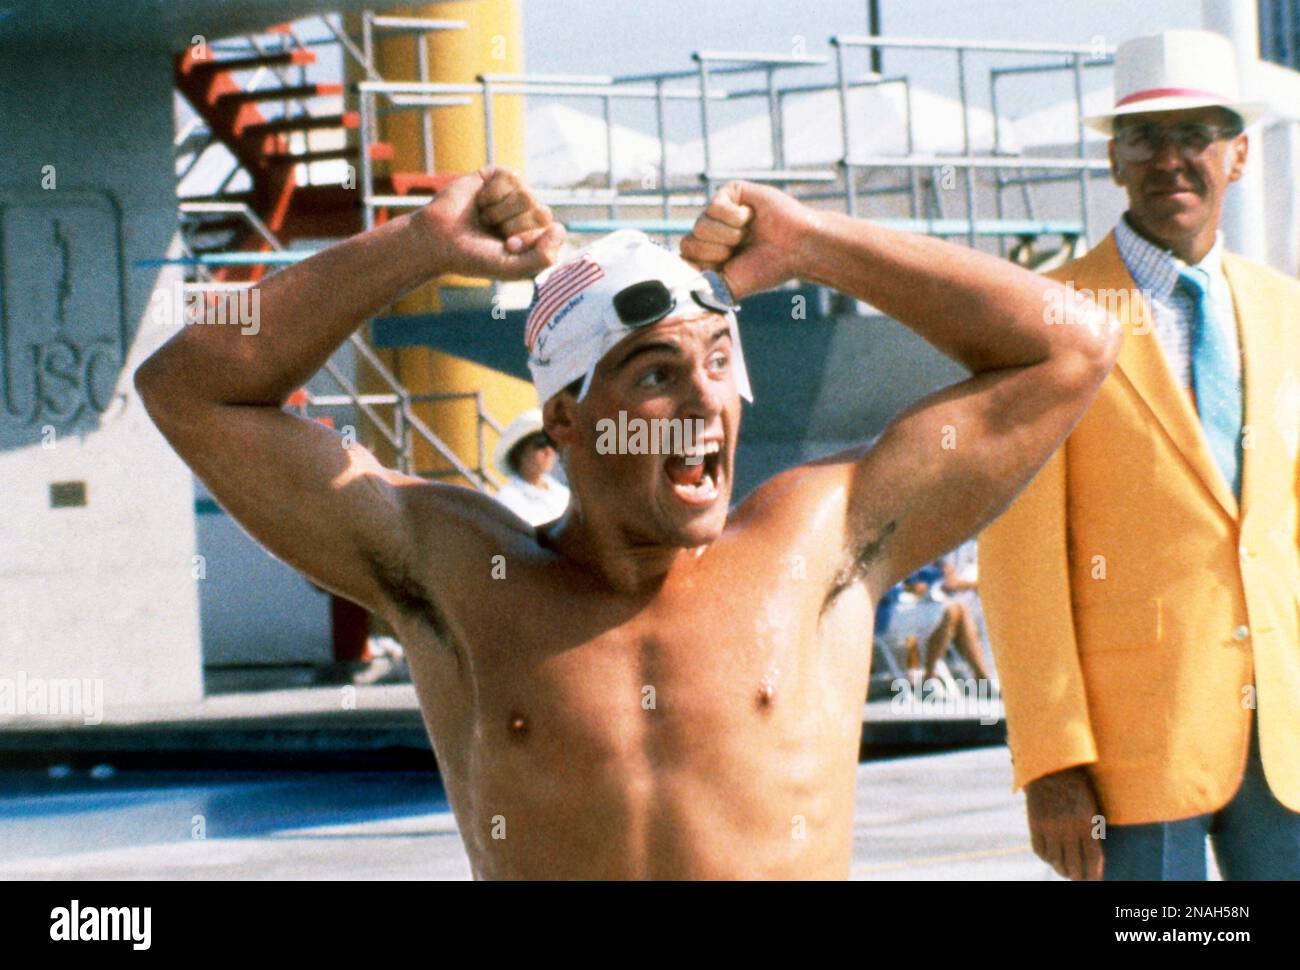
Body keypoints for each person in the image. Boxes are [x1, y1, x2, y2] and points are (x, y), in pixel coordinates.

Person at [135, 161, 1120, 879]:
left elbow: (1071, 346)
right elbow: (191, 390)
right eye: (656, 373)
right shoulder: (456, 572)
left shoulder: (817, 542)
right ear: (564, 418)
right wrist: (415, 246)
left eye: (718, 362)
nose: (708, 399)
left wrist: (815, 242)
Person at [979, 29, 1300, 881]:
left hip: (1287, 738)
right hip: (1132, 752)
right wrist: (1050, 759)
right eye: (1145, 138)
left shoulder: (1286, 313)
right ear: (1113, 160)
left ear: (1237, 153)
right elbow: (1020, 565)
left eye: (1195, 135)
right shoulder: (1048, 321)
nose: (1171, 159)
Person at [491, 408, 569, 525]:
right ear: (519, 453)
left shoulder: (563, 494)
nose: (549, 450)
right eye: (541, 444)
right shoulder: (507, 502)